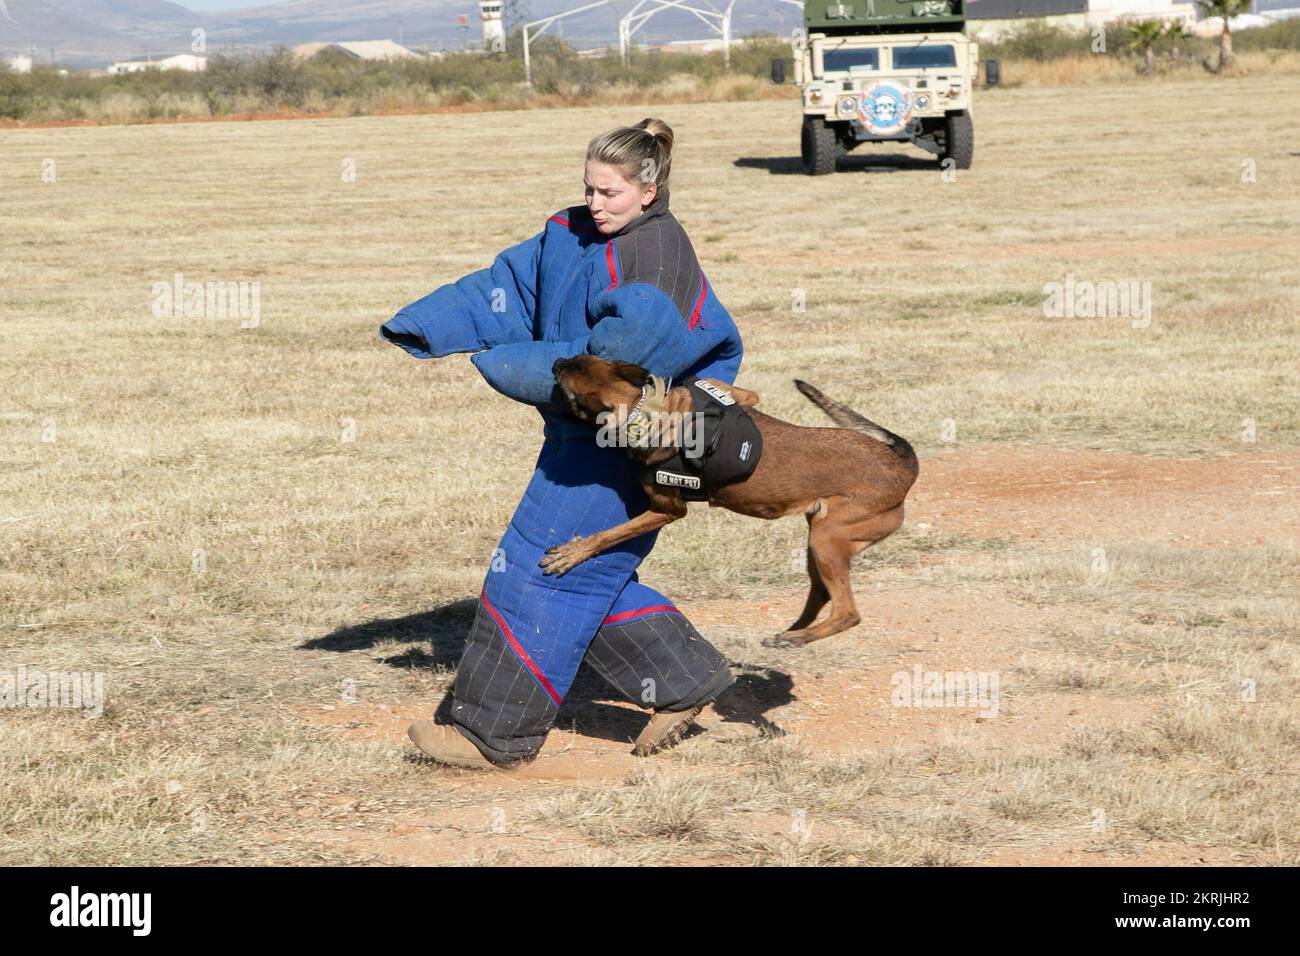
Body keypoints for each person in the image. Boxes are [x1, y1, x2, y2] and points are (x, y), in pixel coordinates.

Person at [380, 118, 744, 769]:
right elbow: (511, 285)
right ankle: (687, 679)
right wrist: (425, 325)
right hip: (580, 438)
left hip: (632, 444)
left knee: (533, 567)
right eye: (590, 189)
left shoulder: (658, 257)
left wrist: (507, 362)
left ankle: (493, 736)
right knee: (586, 571)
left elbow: (611, 372)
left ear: (650, 191)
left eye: (610, 193)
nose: (596, 204)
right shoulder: (574, 231)